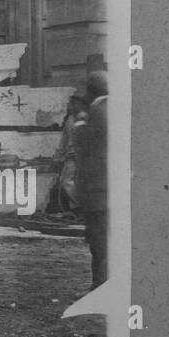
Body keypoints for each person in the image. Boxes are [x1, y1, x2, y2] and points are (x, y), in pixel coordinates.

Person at [77, 68, 108, 287]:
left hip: (98, 189)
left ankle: (99, 286)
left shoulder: (97, 111)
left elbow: (84, 142)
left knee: (98, 242)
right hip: (112, 187)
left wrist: (79, 121)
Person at [51, 92, 89, 217]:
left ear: (81, 104)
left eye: (74, 103)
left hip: (83, 156)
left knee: (78, 181)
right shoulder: (70, 119)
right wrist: (58, 156)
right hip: (71, 156)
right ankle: (77, 208)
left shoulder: (86, 118)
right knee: (65, 181)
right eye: (71, 103)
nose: (71, 105)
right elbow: (64, 140)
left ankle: (81, 208)